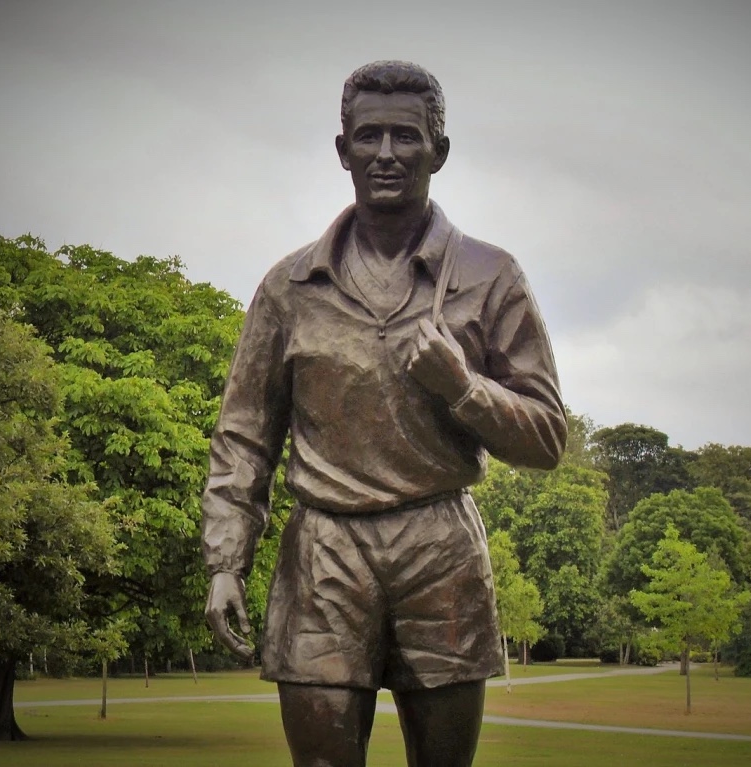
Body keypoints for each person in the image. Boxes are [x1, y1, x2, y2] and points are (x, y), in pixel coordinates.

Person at [202, 60, 567, 767]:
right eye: (369, 137)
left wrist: (462, 387)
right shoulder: (290, 287)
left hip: (440, 547)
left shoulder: (489, 277)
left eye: (407, 136)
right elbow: (244, 440)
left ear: (439, 151)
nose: (387, 154)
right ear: (344, 151)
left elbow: (548, 437)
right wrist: (225, 561)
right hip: (324, 553)